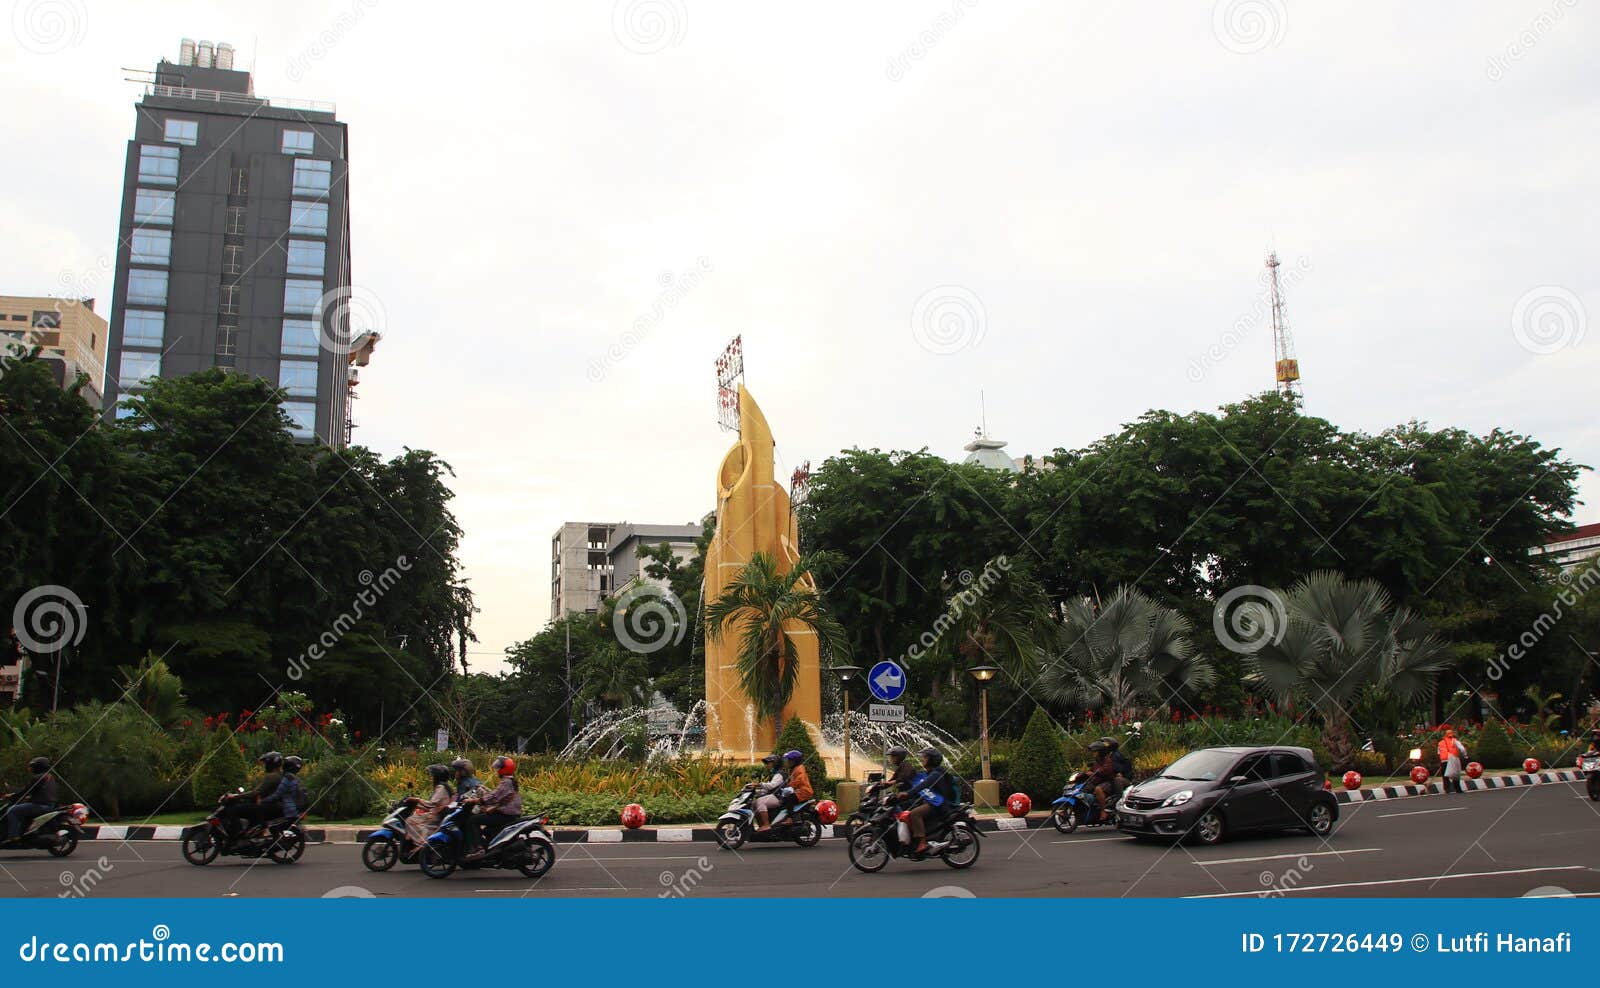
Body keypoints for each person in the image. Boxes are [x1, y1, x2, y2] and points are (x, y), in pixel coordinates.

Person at [900, 748, 959, 855]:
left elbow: (924, 784)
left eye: (925, 757)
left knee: (915, 814)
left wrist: (908, 793)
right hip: (931, 802)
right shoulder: (929, 772)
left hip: (939, 804)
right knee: (907, 810)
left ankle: (922, 843)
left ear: (932, 760)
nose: (922, 759)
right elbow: (917, 781)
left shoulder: (936, 773)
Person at [464, 756, 522, 860]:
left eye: (499, 768)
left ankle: (479, 849)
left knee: (473, 820)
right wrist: (483, 790)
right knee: (486, 830)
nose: (497, 771)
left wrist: (475, 800)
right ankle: (492, 849)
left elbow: (494, 796)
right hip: (507, 814)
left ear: (504, 769)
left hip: (506, 816)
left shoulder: (506, 782)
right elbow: (498, 795)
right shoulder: (510, 780)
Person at [221, 751, 284, 837]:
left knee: (233, 810)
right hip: (274, 806)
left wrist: (236, 797)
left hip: (269, 807)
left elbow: (256, 792)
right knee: (248, 807)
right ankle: (250, 832)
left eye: (266, 763)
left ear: (271, 764)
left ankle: (237, 833)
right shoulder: (279, 775)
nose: (265, 765)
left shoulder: (272, 777)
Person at [3, 757, 58, 840]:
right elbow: (36, 791)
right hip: (49, 804)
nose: (30, 768)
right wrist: (28, 797)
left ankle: (14, 836)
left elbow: (26, 791)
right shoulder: (49, 777)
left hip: (40, 805)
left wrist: (11, 796)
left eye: (32, 766)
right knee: (21, 809)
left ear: (38, 767)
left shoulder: (38, 777)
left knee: (12, 810)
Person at [405, 764, 454, 846]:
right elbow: (432, 806)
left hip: (436, 816)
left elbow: (431, 804)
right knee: (415, 816)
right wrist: (416, 804)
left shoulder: (441, 788)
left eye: (432, 775)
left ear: (437, 776)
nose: (430, 778)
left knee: (410, 820)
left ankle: (420, 843)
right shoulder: (442, 787)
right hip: (435, 814)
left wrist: (417, 799)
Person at [752, 754, 786, 832]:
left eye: (769, 763)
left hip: (779, 797)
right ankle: (761, 825)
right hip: (775, 796)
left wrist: (759, 784)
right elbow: (770, 789)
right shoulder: (775, 774)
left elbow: (771, 786)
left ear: (775, 763)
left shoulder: (779, 774)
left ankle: (766, 825)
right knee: (754, 803)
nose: (767, 765)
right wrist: (757, 792)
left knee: (760, 802)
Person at [1086, 740, 1118, 821]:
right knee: (1082, 788)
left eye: (1095, 751)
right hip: (1098, 781)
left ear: (1101, 752)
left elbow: (1106, 770)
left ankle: (1103, 811)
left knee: (1098, 789)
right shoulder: (1096, 761)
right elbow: (1091, 770)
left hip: (1108, 782)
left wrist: (1096, 772)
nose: (1093, 753)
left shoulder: (1107, 760)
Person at [779, 749, 813, 816]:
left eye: (789, 760)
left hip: (804, 792)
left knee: (789, 799)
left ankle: (790, 817)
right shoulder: (794, 769)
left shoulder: (800, 768)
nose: (787, 762)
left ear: (795, 761)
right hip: (799, 791)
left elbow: (800, 779)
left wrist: (790, 785)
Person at [1437, 728, 1468, 794]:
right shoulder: (1454, 741)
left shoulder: (1440, 743)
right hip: (1452, 759)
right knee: (1455, 774)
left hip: (1443, 760)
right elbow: (1462, 749)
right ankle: (1458, 789)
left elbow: (1439, 752)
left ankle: (1447, 789)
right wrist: (1465, 756)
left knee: (1445, 775)